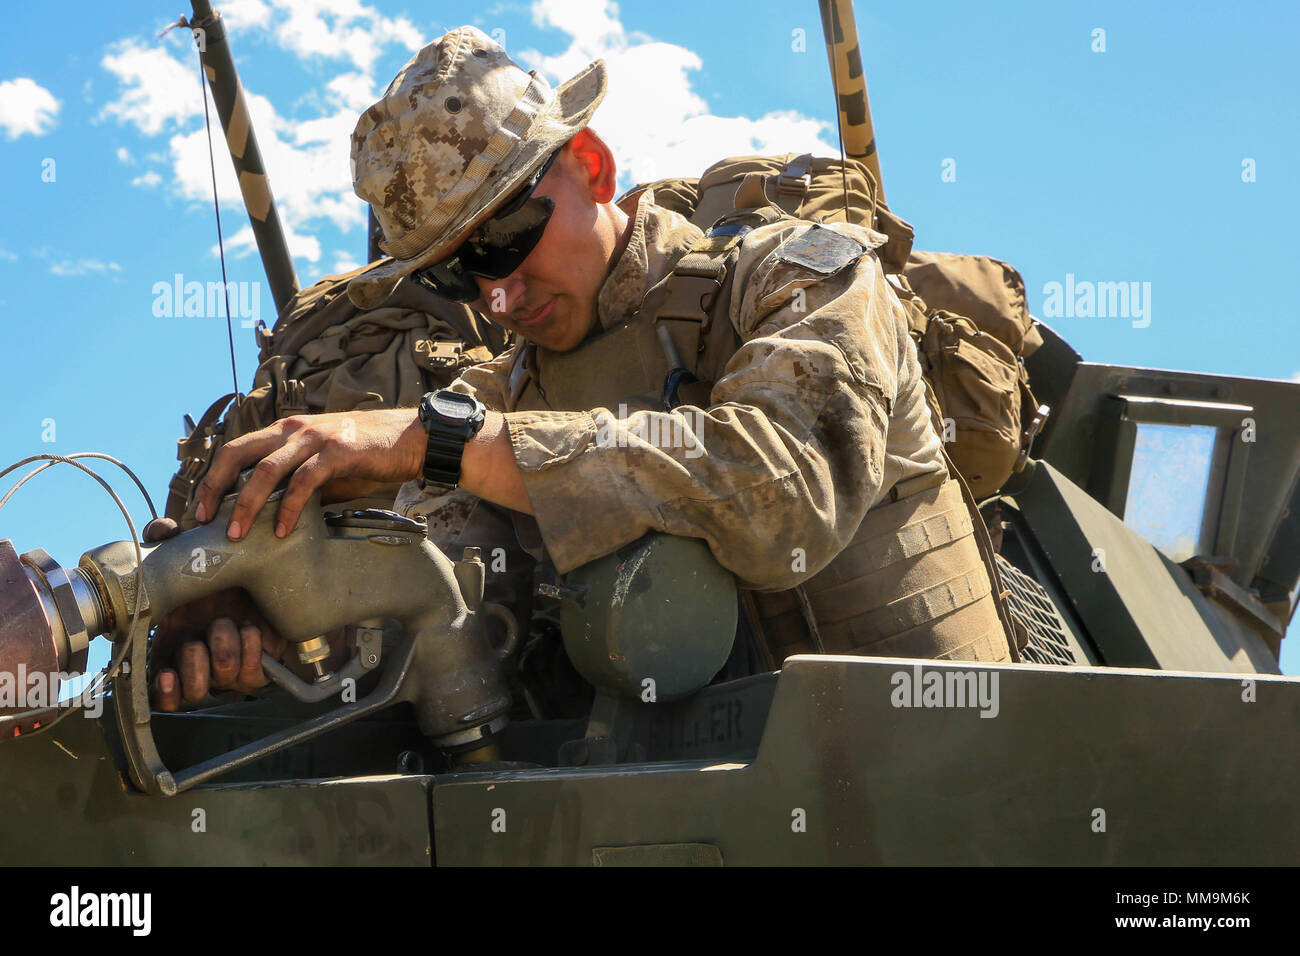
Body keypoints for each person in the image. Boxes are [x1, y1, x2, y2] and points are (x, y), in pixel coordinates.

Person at [150, 25, 1014, 711]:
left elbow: (781, 494)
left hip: (959, 790)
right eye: (459, 273)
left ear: (592, 167)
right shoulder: (501, 398)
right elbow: (434, 597)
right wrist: (249, 612)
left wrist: (438, 440)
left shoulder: (799, 274)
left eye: (505, 238)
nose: (497, 292)